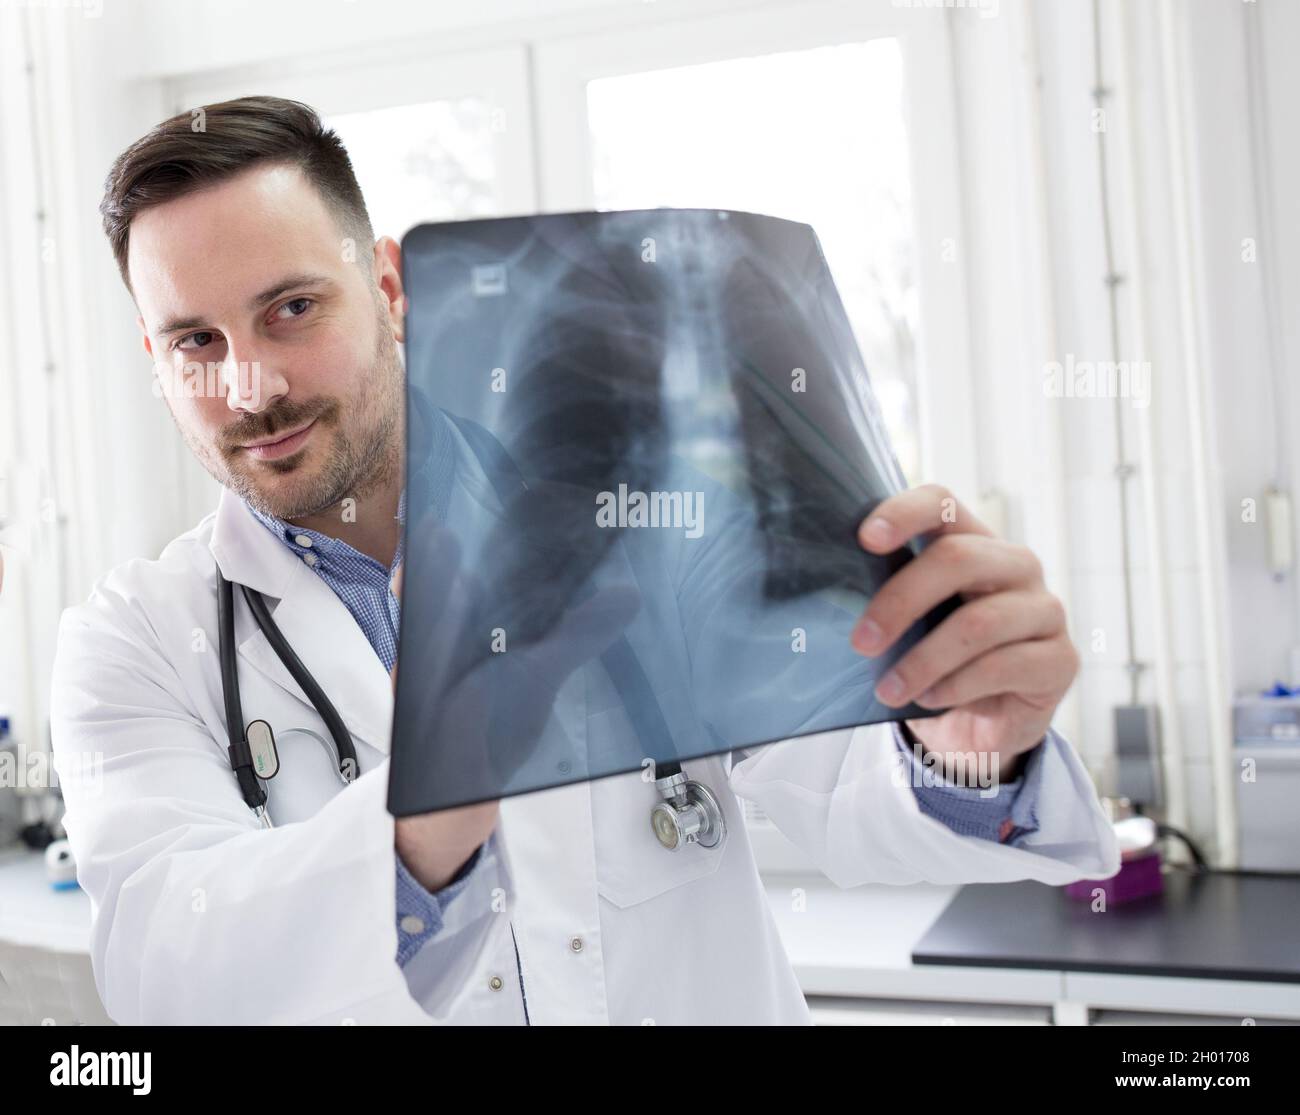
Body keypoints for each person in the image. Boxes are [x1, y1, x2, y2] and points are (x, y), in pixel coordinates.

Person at [50, 97, 1117, 1025]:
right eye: (196, 341)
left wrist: (970, 750)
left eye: (292, 308)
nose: (253, 387)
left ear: (386, 283)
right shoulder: (135, 642)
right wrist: (432, 805)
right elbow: (167, 967)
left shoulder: (639, 520)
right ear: (155, 360)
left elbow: (848, 793)